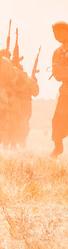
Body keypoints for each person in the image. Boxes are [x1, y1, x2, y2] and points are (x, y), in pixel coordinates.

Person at [9, 55, 38, 149]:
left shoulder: (12, 78)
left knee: (14, 123)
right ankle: (21, 142)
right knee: (23, 123)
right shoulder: (29, 79)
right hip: (25, 103)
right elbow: (35, 93)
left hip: (16, 103)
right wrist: (35, 80)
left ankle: (14, 144)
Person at [52, 21, 68, 156]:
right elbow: (57, 74)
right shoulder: (57, 52)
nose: (55, 36)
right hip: (66, 89)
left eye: (57, 33)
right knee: (57, 120)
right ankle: (57, 149)